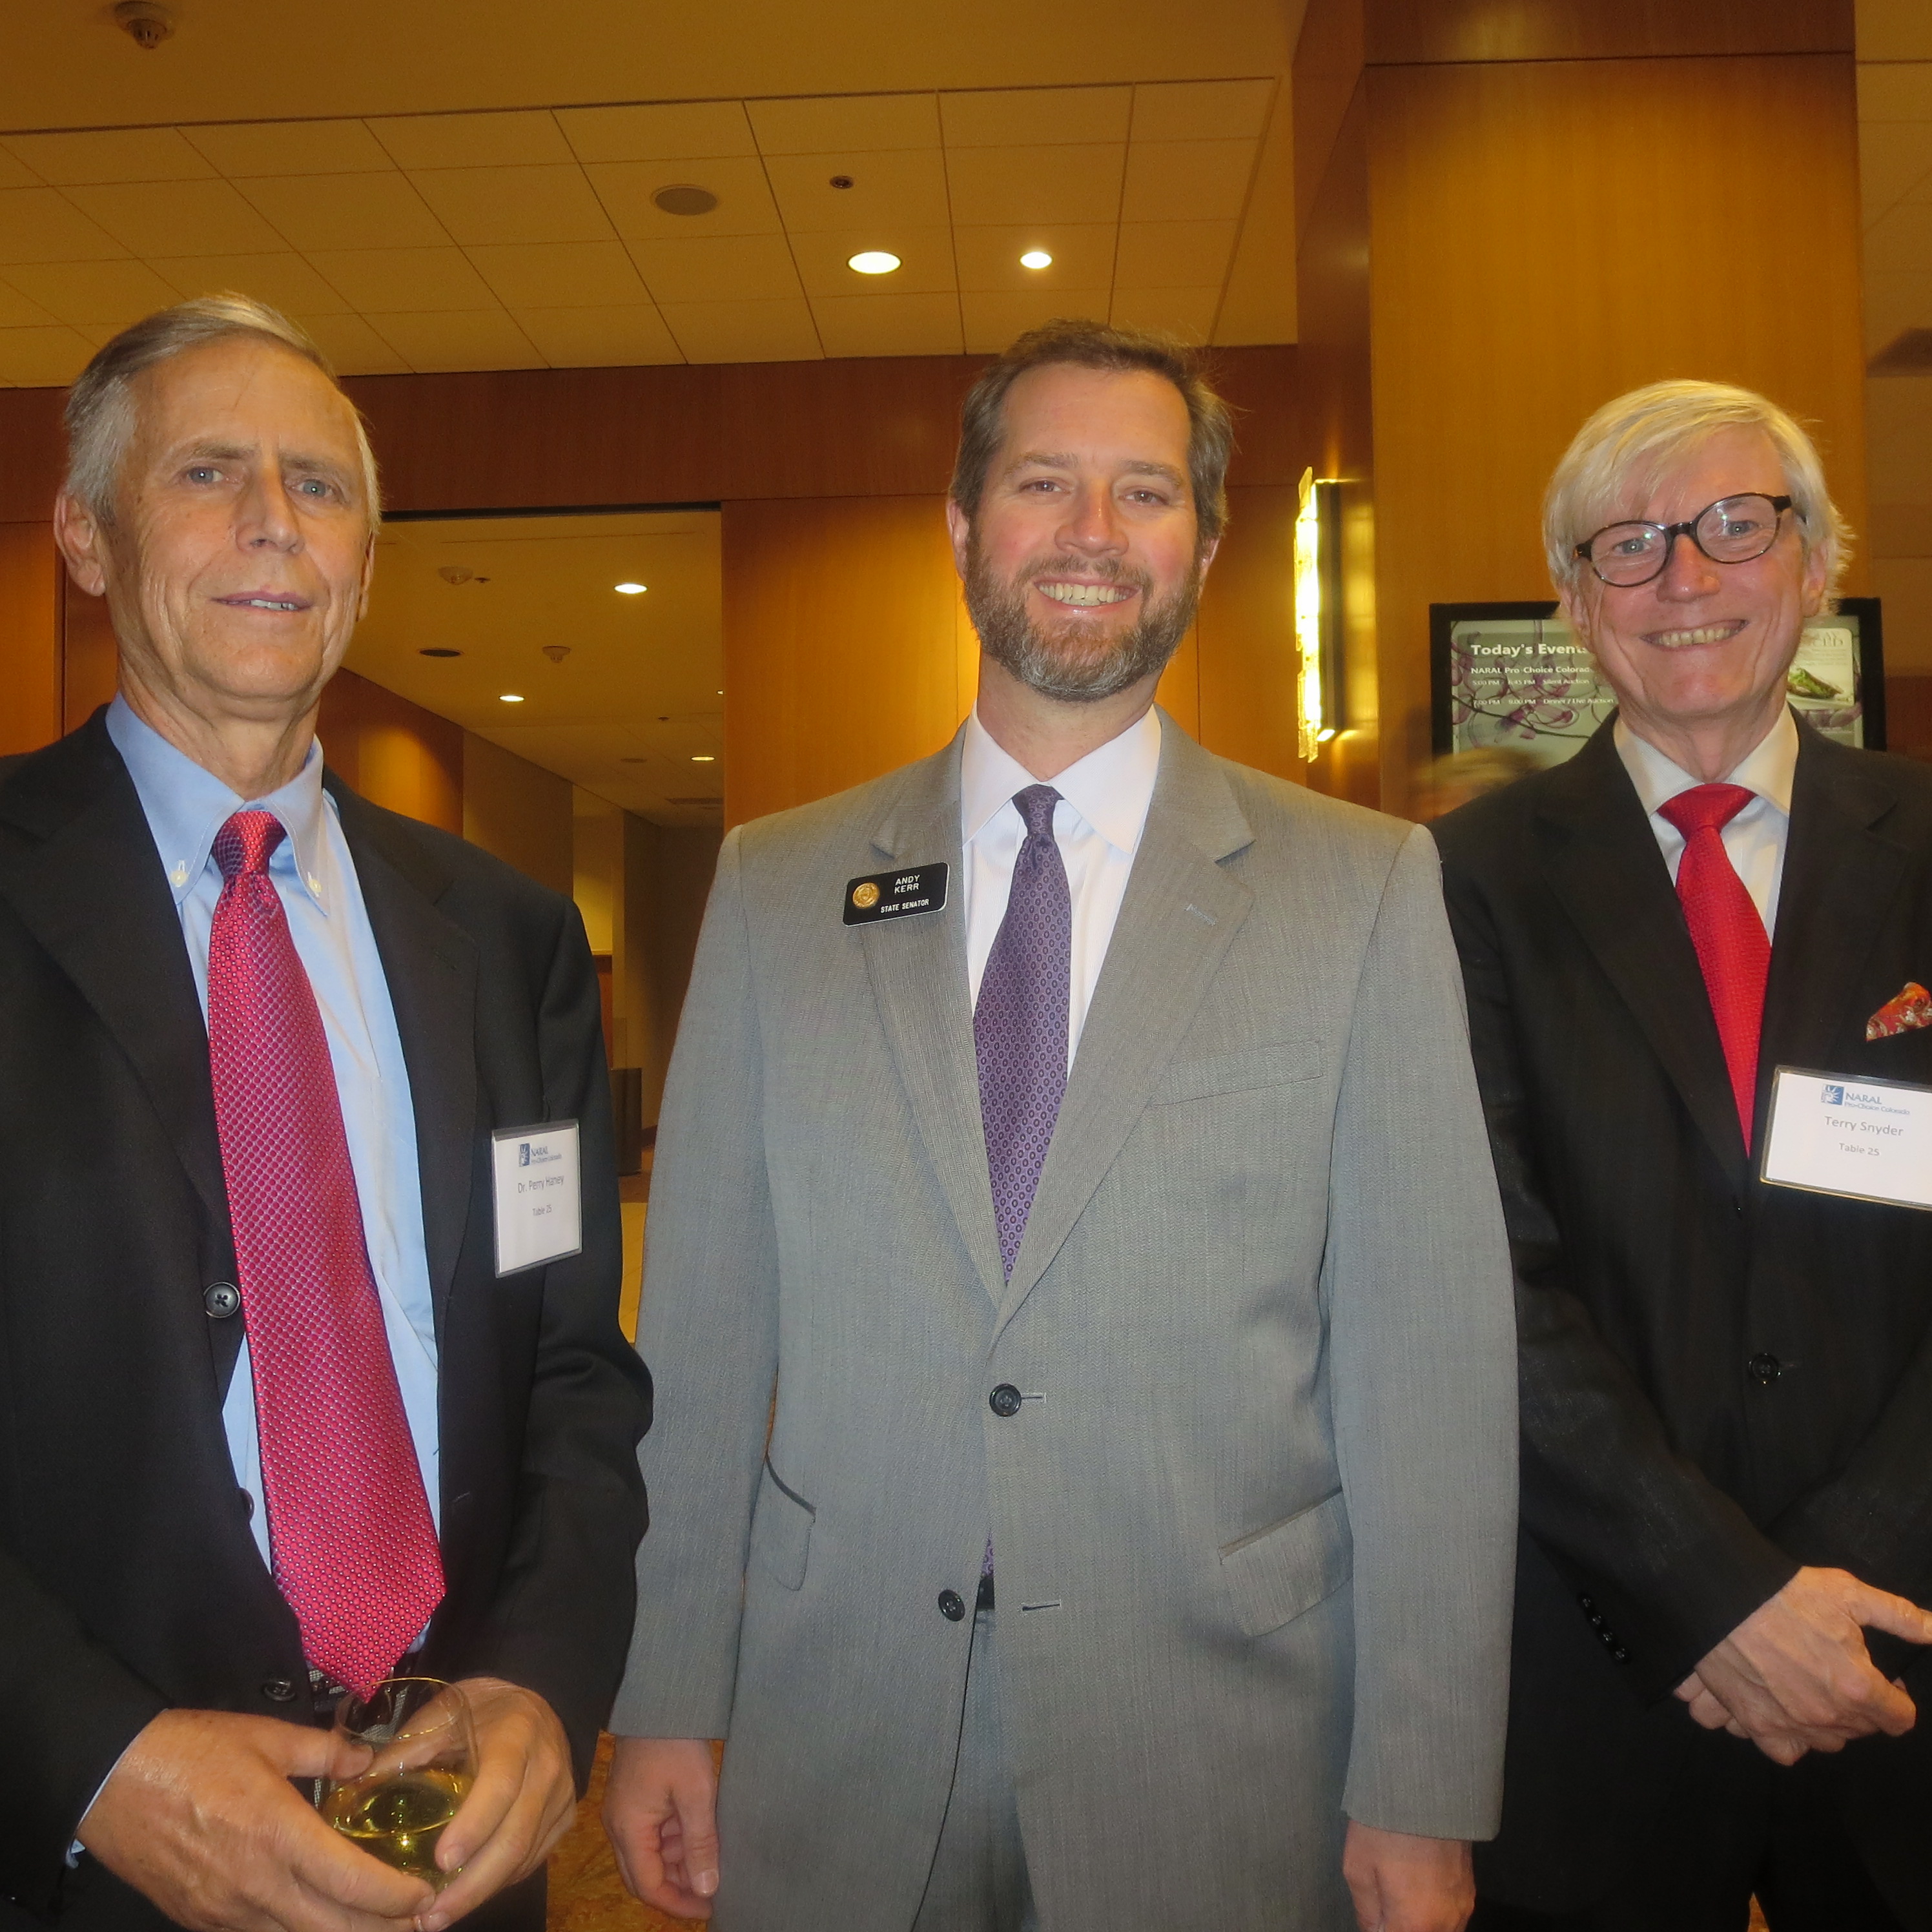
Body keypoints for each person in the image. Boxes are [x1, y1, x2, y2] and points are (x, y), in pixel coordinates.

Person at [602, 320, 1517, 1932]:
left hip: (1219, 1738)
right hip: (838, 1714)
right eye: (1043, 483)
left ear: (1203, 548)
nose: (1093, 532)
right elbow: (702, 1329)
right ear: (962, 525)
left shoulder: (1361, 890)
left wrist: (1422, 1775)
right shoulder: (772, 885)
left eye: (1143, 492)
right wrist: (665, 1685)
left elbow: (1425, 1373)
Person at [0, 296, 651, 1932]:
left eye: (320, 484)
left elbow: (572, 1363)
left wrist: (545, 1679)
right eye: (206, 471)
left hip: (456, 1831)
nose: (273, 521)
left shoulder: (507, 938)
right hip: (87, 1853)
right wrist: (92, 1756)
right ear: (84, 535)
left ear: (364, 560)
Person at [1431, 380, 1932, 1931]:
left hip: (1900, 1645)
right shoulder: (1452, 883)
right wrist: (1718, 1595)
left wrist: (1830, 1582)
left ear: (1816, 564)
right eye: (1628, 544)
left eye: (1734, 524)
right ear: (1575, 603)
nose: (1684, 576)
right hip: (1599, 1675)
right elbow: (1478, 1281)